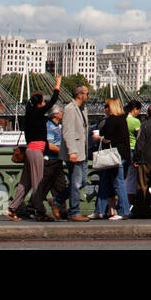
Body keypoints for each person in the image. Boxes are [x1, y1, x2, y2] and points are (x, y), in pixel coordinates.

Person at [7, 81, 61, 220]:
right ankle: (40, 212)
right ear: (38, 104)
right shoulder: (38, 113)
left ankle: (12, 209)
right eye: (42, 102)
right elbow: (53, 102)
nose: (44, 104)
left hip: (29, 150)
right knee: (38, 183)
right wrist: (57, 85)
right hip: (37, 152)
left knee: (25, 182)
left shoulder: (28, 115)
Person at [92, 96, 131, 220]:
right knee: (106, 182)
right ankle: (99, 210)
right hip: (122, 154)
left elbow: (108, 138)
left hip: (114, 155)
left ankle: (123, 210)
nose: (105, 109)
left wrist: (99, 138)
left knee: (116, 183)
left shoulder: (111, 120)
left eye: (106, 106)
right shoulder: (122, 119)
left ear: (111, 107)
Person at [61, 84, 91, 221]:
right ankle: (74, 212)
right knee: (76, 183)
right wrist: (72, 151)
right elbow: (68, 132)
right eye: (87, 93)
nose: (88, 96)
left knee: (82, 181)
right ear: (79, 94)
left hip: (83, 151)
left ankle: (56, 201)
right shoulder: (70, 109)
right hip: (75, 152)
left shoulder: (83, 109)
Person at [133, 104, 151, 218]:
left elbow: (139, 144)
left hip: (145, 159)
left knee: (143, 185)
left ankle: (142, 210)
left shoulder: (144, 125)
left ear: (147, 114)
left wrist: (136, 158)